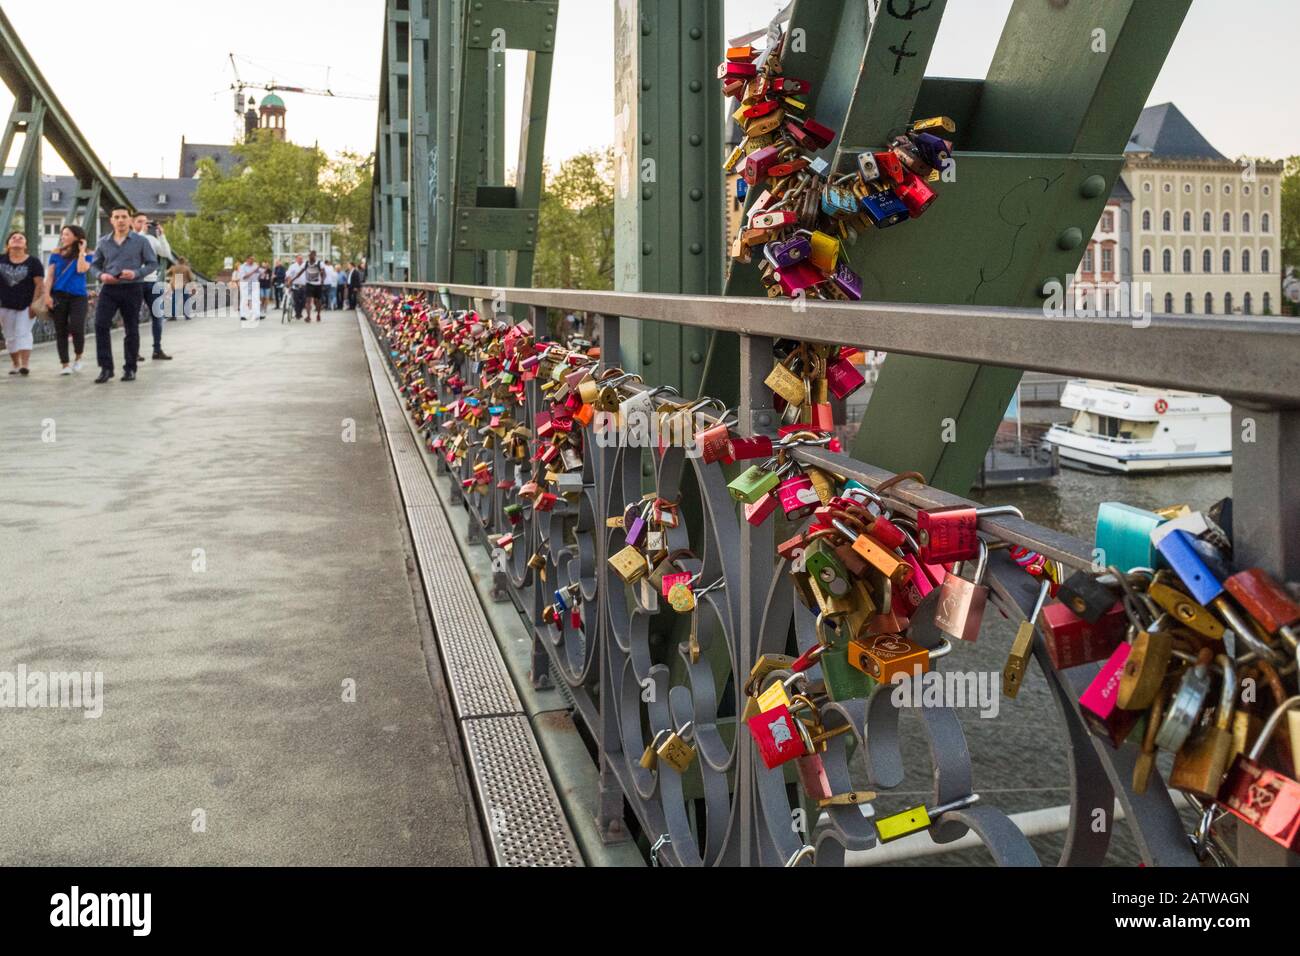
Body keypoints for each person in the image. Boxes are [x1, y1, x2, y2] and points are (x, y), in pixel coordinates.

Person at [90, 205, 158, 383]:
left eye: (124, 217)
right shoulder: (103, 242)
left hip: (132, 287)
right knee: (100, 324)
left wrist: (136, 273)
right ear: (111, 220)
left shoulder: (141, 241)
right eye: (117, 217)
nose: (120, 220)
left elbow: (152, 264)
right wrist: (100, 275)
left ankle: (130, 368)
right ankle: (106, 368)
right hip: (109, 288)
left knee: (131, 328)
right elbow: (94, 265)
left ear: (130, 220)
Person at [43, 225, 94, 375]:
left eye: (66, 234)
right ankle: (64, 364)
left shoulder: (89, 254)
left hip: (78, 296)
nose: (62, 237)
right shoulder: (55, 254)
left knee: (77, 327)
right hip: (59, 296)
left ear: (77, 237)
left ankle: (78, 357)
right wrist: (46, 295)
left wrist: (82, 251)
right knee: (61, 330)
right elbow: (50, 276)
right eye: (62, 234)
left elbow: (81, 269)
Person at [0, 230, 45, 376]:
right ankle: (15, 363)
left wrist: (34, 304)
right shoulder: (1, 260)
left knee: (23, 333)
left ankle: (25, 365)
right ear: (8, 244)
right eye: (14, 237)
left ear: (25, 245)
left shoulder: (33, 262)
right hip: (4, 304)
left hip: (26, 305)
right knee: (9, 335)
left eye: (21, 238)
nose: (17, 239)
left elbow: (39, 284)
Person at [132, 213, 172, 361]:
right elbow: (136, 247)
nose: (145, 224)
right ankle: (133, 351)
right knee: (133, 318)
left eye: (146, 221)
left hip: (152, 281)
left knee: (158, 316)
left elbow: (166, 253)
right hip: (135, 282)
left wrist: (162, 236)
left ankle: (157, 349)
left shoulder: (151, 239)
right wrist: (142, 231)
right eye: (140, 221)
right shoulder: (130, 238)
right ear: (132, 223)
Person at [166, 256, 193, 320]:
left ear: (178, 261)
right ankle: (187, 316)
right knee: (186, 300)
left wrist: (172, 276)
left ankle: (173, 316)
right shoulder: (187, 268)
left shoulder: (174, 267)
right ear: (184, 261)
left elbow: (166, 273)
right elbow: (191, 278)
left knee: (175, 301)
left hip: (176, 285)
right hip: (185, 285)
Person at [301, 250, 325, 322]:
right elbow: (300, 272)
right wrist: (292, 280)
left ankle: (318, 314)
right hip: (309, 284)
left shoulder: (320, 263)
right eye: (309, 255)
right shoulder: (306, 263)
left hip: (318, 285)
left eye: (311, 255)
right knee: (308, 301)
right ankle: (308, 316)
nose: (310, 257)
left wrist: (322, 281)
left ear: (315, 256)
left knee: (317, 301)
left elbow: (324, 273)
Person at [237, 255, 261, 321]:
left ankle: (257, 315)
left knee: (256, 300)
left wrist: (260, 270)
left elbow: (259, 274)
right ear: (247, 259)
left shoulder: (255, 265)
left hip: (254, 284)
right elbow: (244, 276)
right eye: (251, 259)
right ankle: (243, 315)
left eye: (253, 259)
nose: (253, 260)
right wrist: (254, 271)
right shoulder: (242, 267)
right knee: (244, 299)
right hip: (245, 284)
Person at [285, 253, 308, 319]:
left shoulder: (305, 266)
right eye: (299, 258)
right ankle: (298, 313)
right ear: (296, 259)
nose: (301, 260)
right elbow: (288, 275)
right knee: (296, 300)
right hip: (295, 285)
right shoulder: (292, 266)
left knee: (303, 300)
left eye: (301, 258)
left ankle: (299, 312)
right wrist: (289, 281)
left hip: (304, 285)